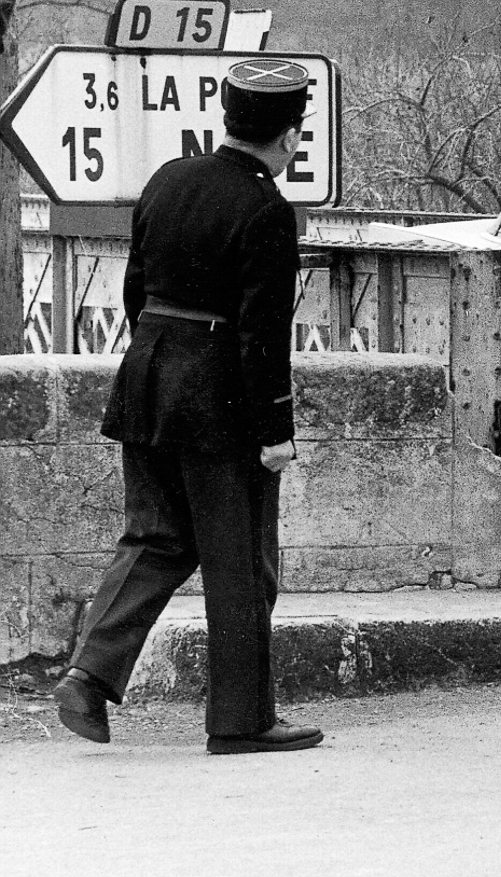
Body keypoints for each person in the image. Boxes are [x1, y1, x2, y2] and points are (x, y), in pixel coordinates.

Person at [51, 59, 323, 754]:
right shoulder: (266, 209)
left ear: (227, 120)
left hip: (146, 378)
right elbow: (263, 336)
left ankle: (87, 676)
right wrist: (275, 431)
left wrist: (162, 359)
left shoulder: (169, 179)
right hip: (218, 400)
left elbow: (135, 290)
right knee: (241, 562)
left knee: (155, 538)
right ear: (290, 138)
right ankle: (242, 721)